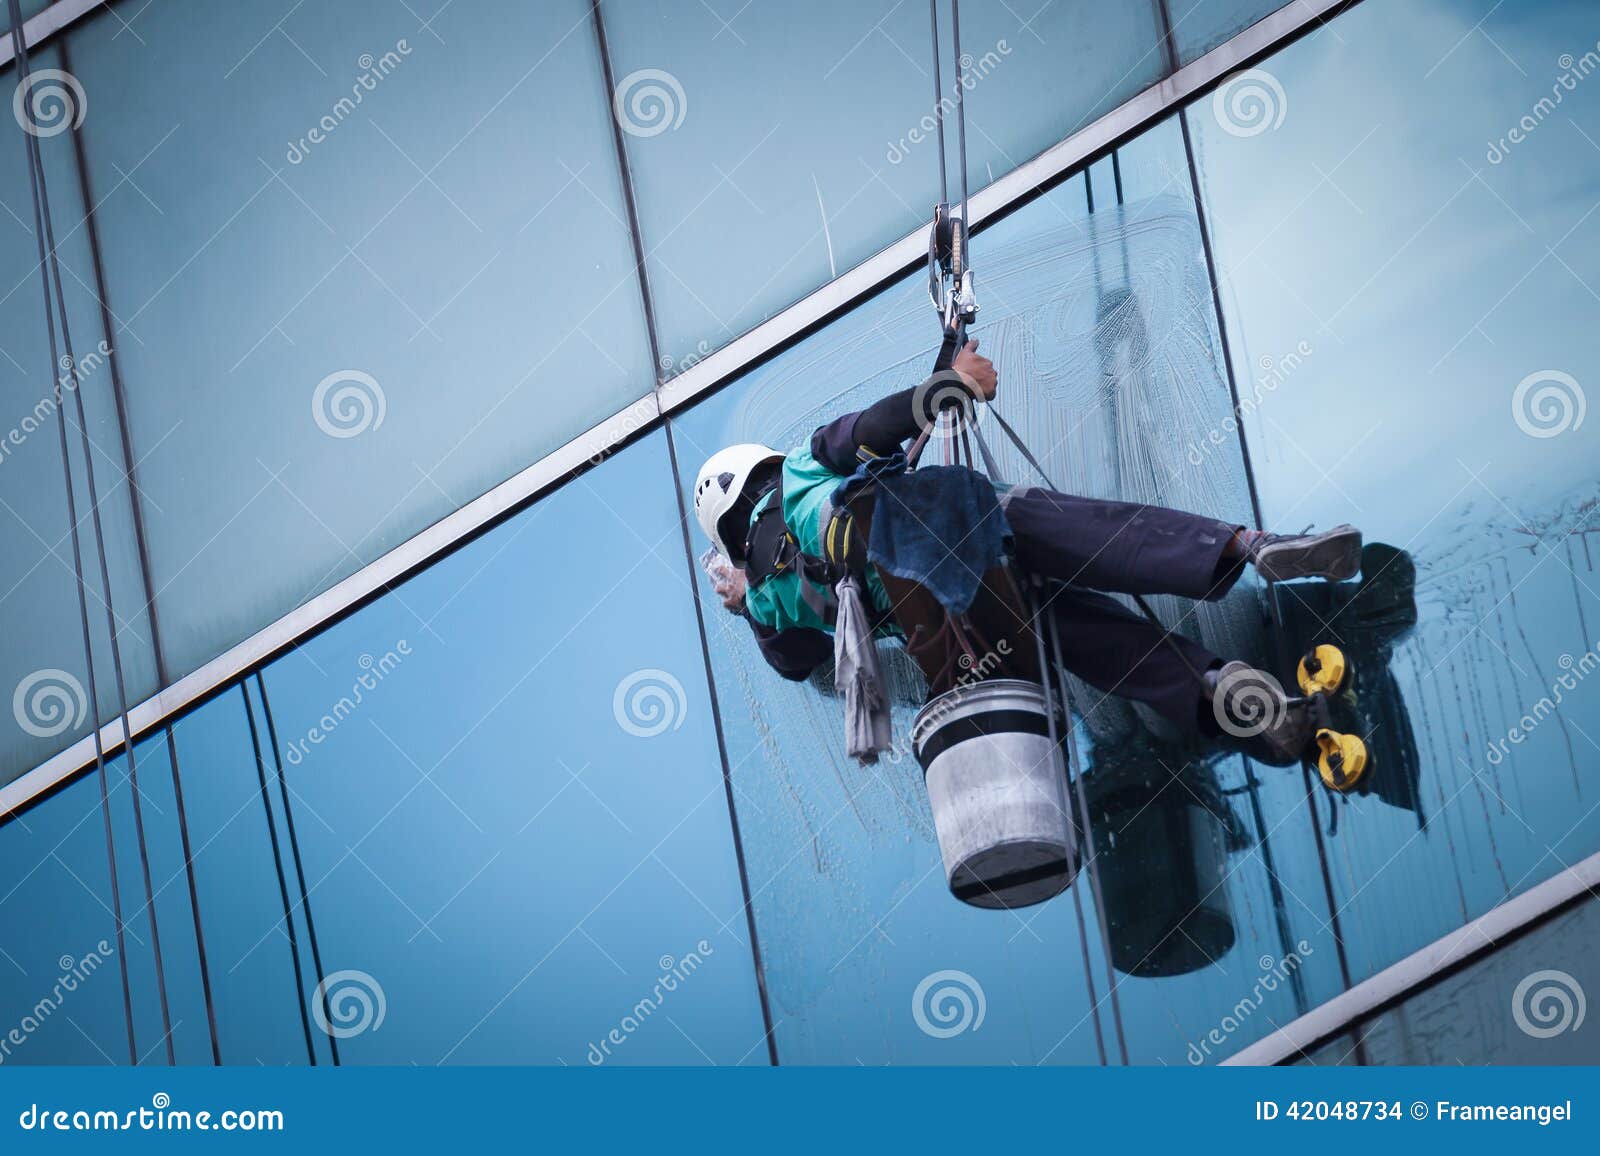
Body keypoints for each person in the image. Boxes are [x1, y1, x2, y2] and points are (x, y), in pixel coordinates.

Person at [692, 340, 1362, 764]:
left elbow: (798, 665)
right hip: (965, 531)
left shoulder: (769, 602)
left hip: (958, 626)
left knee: (1085, 640)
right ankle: (1250, 546)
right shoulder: (805, 469)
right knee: (1099, 532)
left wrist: (742, 600)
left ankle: (1226, 697)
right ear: (763, 471)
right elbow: (871, 430)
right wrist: (948, 383)